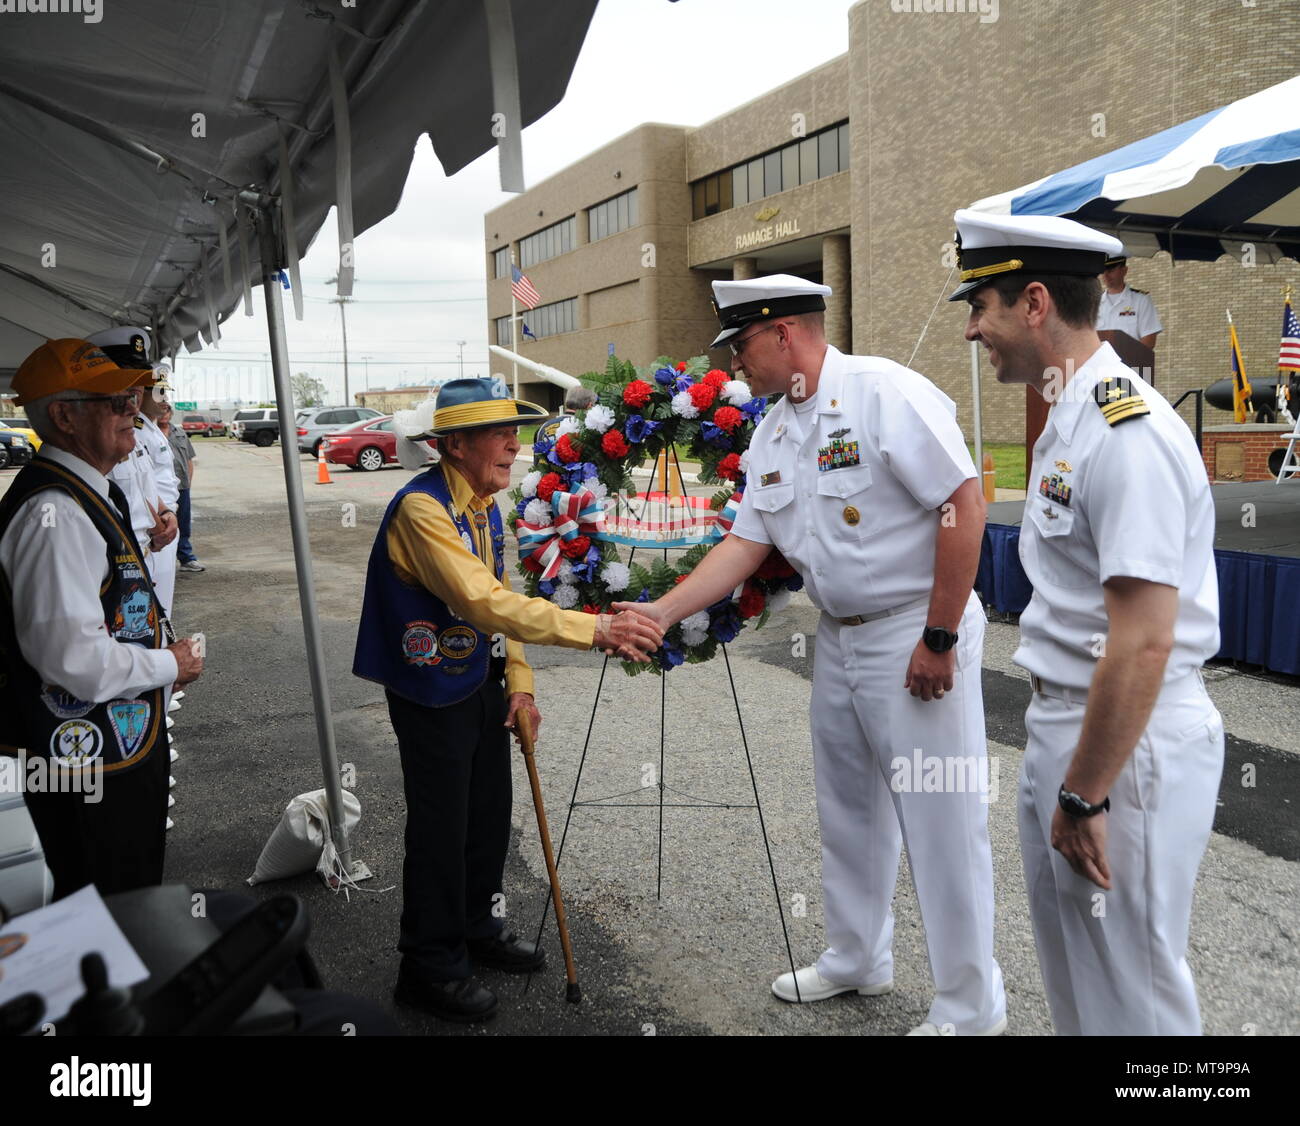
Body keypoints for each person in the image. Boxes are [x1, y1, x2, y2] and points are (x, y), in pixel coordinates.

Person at [617, 275, 1006, 1036]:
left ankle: (970, 1004)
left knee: (941, 820)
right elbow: (746, 543)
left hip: (914, 629)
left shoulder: (885, 393)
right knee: (849, 809)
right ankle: (858, 956)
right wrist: (659, 611)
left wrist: (940, 636)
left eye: (742, 346)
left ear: (785, 334)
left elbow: (965, 504)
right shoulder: (776, 430)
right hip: (842, 638)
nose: (737, 366)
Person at [953, 209, 1223, 1035]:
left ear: (1035, 302)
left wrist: (1085, 790)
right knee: (1082, 989)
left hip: (1121, 749)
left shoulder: (1123, 433)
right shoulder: (1071, 416)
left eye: (982, 307)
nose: (972, 330)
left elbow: (1143, 640)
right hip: (1070, 728)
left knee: (1133, 1000)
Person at [353, 377, 664, 1023]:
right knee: (442, 829)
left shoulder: (486, 506)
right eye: (500, 434)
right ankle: (428, 966)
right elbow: (482, 601)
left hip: (480, 682)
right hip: (430, 689)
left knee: (488, 817)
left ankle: (478, 928)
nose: (514, 446)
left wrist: (520, 684)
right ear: (456, 444)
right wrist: (597, 629)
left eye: (515, 432)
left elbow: (501, 608)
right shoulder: (423, 509)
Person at [0, 339, 204, 899]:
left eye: (132, 398)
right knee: (110, 905)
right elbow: (74, 659)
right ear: (64, 416)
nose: (133, 411)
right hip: (84, 767)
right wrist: (169, 663)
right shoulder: (56, 514)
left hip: (106, 751)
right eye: (115, 401)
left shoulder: (86, 491)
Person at [86, 327, 181, 616]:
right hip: (121, 562)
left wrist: (166, 513)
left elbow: (146, 488)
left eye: (137, 390)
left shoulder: (134, 432)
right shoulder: (98, 444)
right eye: (122, 391)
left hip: (148, 551)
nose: (132, 404)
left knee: (154, 631)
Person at [159, 404, 204, 573]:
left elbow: (189, 460)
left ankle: (186, 558)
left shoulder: (180, 433)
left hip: (182, 487)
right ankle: (164, 561)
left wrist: (188, 483)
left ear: (171, 413)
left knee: (183, 524)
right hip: (161, 490)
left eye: (167, 411)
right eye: (161, 410)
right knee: (163, 523)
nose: (164, 414)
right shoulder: (150, 433)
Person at [1095, 255, 1161, 348]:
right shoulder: (1094, 302)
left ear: (1124, 270)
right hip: (1101, 360)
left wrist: (1129, 358)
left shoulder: (1141, 300)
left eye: (1110, 271)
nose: (1106, 275)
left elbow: (1149, 340)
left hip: (1130, 361)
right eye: (1103, 271)